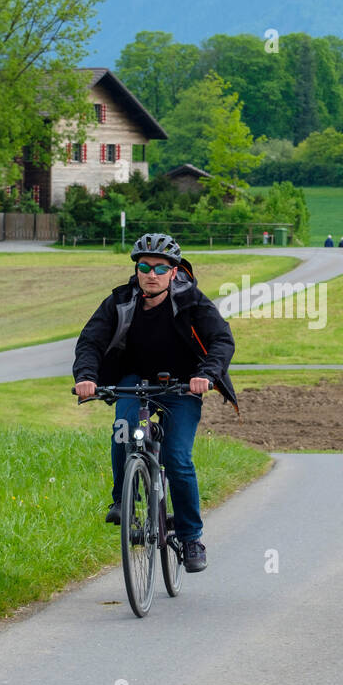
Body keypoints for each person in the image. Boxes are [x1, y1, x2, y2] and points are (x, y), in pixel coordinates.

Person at [72, 233, 238, 573]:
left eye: (160, 268)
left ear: (174, 273)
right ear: (136, 270)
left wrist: (205, 375)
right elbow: (90, 340)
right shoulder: (120, 300)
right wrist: (86, 377)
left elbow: (221, 339)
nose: (151, 274)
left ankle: (191, 537)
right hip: (135, 380)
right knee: (123, 430)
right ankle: (123, 499)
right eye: (144, 266)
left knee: (177, 458)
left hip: (182, 384)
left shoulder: (192, 301)